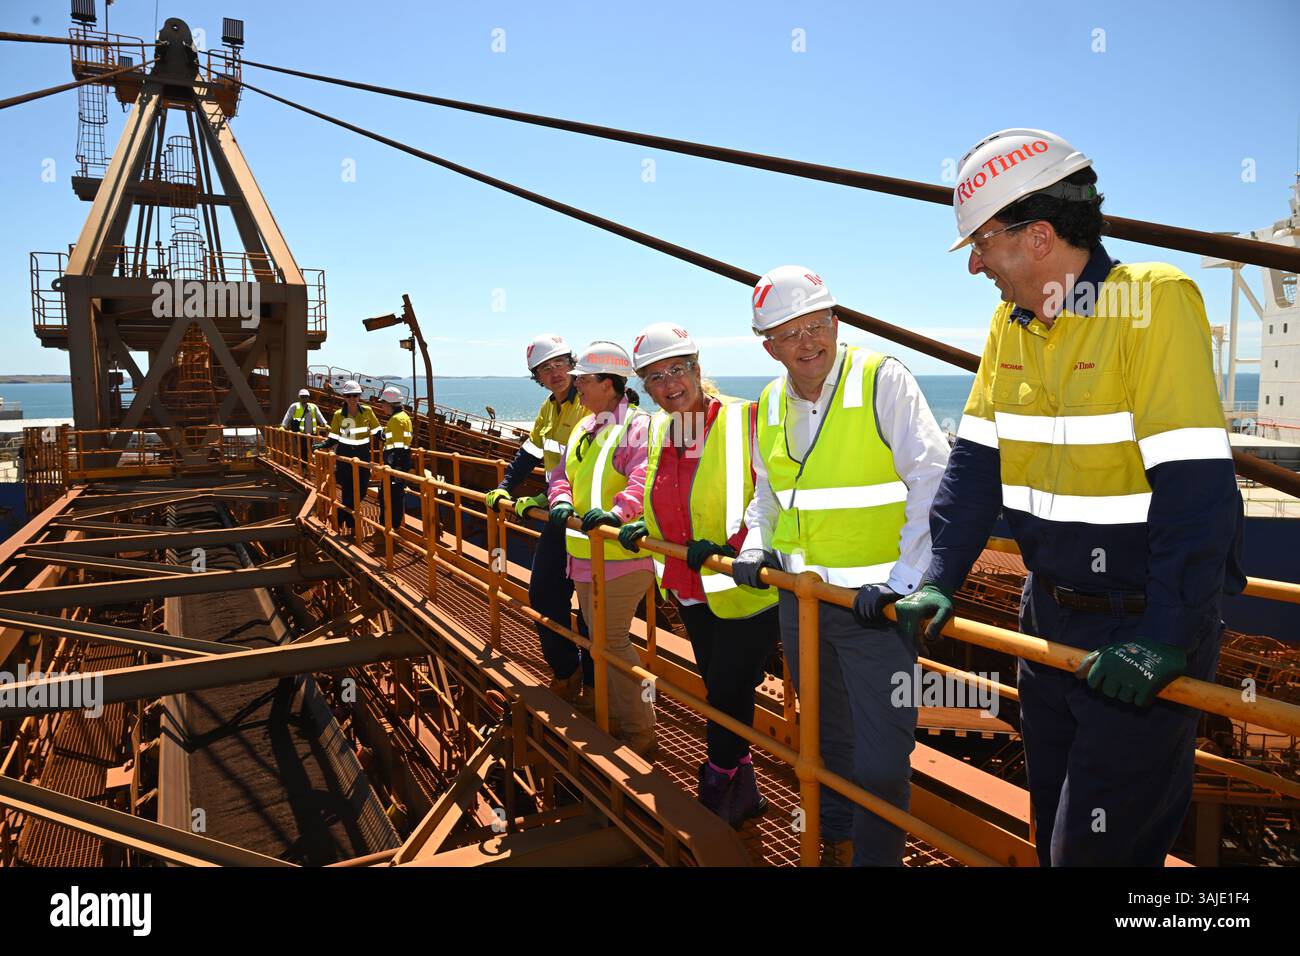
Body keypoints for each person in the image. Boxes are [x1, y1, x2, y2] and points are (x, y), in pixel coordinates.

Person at [894, 128, 1245, 866]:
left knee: (1096, 853)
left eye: (982, 245)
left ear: (1040, 237)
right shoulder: (1009, 324)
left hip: (1137, 627)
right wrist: (939, 581)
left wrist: (1165, 638)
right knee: (1053, 824)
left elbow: (1195, 488)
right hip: (1045, 618)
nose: (977, 266)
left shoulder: (1152, 303)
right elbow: (975, 466)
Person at [730, 265, 950, 866]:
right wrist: (755, 543)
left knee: (880, 759)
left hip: (874, 609)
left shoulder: (882, 380)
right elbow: (770, 493)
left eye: (818, 324)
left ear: (836, 320)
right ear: (767, 344)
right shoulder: (771, 402)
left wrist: (903, 582)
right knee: (822, 741)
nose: (808, 342)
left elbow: (933, 480)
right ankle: (835, 843)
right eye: (789, 332)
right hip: (802, 604)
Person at [618, 323, 780, 827]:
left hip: (743, 587)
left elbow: (770, 496)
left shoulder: (744, 418)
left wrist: (737, 548)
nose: (668, 385)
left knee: (726, 692)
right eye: (654, 377)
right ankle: (745, 792)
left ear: (697, 369)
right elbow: (665, 490)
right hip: (690, 588)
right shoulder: (666, 428)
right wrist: (646, 523)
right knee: (722, 688)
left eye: (676, 370)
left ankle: (713, 789)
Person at [547, 341, 657, 757]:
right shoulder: (584, 426)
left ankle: (642, 731)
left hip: (624, 557)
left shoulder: (637, 426)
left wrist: (617, 513)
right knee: (600, 643)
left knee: (611, 643)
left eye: (584, 380)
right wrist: (558, 498)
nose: (577, 386)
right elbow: (562, 473)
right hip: (586, 557)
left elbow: (644, 476)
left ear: (610, 384)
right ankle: (614, 720)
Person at [483, 334, 594, 706]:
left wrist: (544, 496)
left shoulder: (590, 403)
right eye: (546, 368)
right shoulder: (550, 409)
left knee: (593, 607)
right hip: (559, 517)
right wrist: (505, 487)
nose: (555, 371)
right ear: (538, 377)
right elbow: (529, 452)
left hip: (590, 520)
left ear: (572, 364)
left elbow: (583, 463)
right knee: (544, 595)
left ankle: (595, 688)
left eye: (560, 362)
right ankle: (567, 670)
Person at [316, 379, 382, 537]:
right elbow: (334, 436)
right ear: (344, 397)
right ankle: (352, 526)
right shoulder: (339, 415)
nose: (352, 399)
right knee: (348, 491)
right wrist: (322, 445)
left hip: (363, 455)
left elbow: (377, 430)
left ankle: (340, 515)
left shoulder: (367, 411)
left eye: (355, 395)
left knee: (362, 490)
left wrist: (391, 441)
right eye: (349, 396)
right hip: (345, 456)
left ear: (359, 396)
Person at [374, 385, 413, 544]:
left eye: (383, 403)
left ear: (390, 403)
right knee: (395, 497)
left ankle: (388, 532)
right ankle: (392, 529)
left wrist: (393, 468)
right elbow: (397, 439)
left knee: (388, 498)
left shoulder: (396, 420)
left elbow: (396, 447)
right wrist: (382, 434)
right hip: (402, 462)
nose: (382, 406)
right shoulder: (404, 417)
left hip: (395, 465)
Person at [282, 388, 327, 473]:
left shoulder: (313, 406)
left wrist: (325, 424)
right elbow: (288, 415)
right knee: (303, 450)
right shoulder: (295, 406)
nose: (304, 398)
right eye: (303, 396)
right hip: (300, 433)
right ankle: (304, 468)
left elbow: (319, 415)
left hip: (310, 434)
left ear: (308, 397)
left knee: (309, 449)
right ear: (299, 397)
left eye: (306, 396)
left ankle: (308, 466)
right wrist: (283, 426)